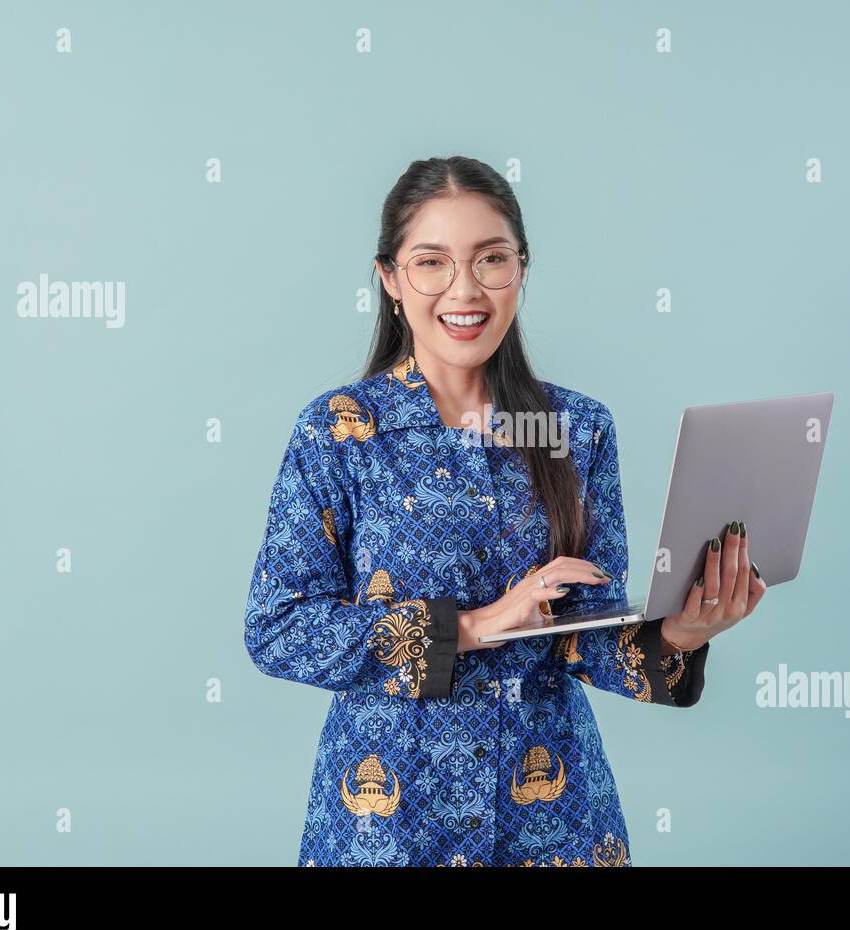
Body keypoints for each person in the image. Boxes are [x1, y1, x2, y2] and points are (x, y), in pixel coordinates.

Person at [243, 156, 766, 867]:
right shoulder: (340, 430)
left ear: (521, 269)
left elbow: (583, 634)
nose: (465, 289)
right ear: (392, 280)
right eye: (432, 262)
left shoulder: (575, 429)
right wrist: (470, 628)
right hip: (390, 824)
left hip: (552, 818)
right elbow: (278, 628)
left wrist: (680, 632)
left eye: (491, 259)